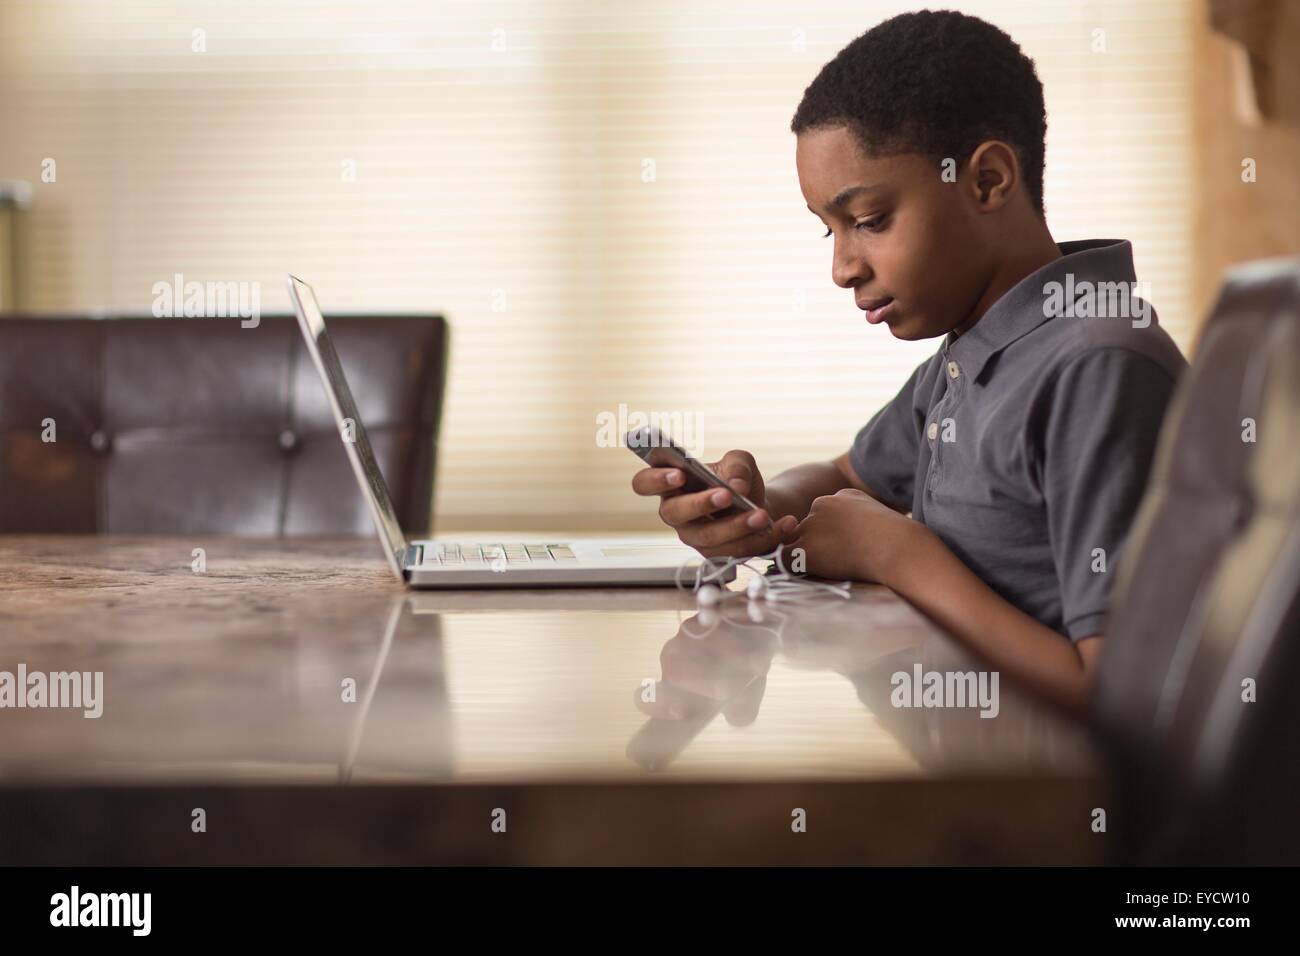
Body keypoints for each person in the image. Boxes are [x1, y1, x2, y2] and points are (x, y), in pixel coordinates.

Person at [630, 10, 1187, 712]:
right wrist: (758, 508)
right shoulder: (980, 344)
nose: (841, 268)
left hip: (1048, 805)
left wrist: (898, 555)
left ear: (986, 180)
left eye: (868, 221)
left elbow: (1119, 697)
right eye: (827, 230)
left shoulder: (1098, 365)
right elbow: (844, 476)